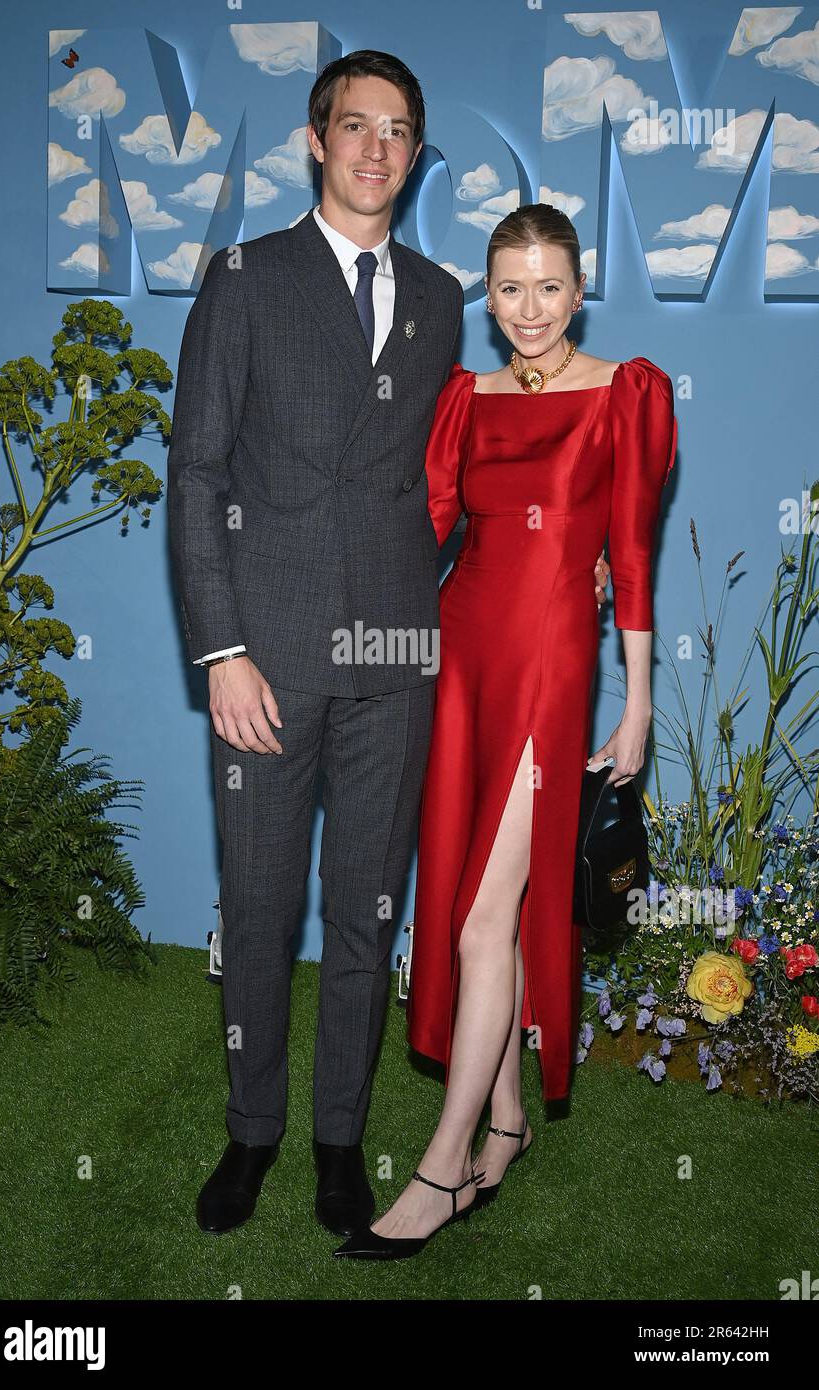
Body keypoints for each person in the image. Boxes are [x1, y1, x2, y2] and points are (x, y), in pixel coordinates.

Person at [168, 51, 611, 1240]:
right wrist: (222, 654)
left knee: (366, 914)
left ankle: (337, 1141)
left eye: (400, 131)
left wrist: (582, 541)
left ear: (414, 157)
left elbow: (473, 470)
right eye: (355, 126)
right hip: (267, 665)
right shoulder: (246, 277)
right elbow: (198, 471)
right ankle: (252, 1132)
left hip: (402, 664)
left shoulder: (436, 299)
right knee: (259, 910)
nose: (377, 148)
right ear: (317, 141)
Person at [334, 203, 677, 1260]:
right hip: (460, 663)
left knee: (481, 920)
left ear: (580, 291)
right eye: (509, 287)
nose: (529, 309)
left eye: (549, 287)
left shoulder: (625, 393)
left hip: (548, 669)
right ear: (487, 295)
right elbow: (421, 533)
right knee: (486, 897)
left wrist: (638, 700)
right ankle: (508, 1120)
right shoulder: (460, 400)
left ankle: (442, 1170)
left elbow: (628, 553)